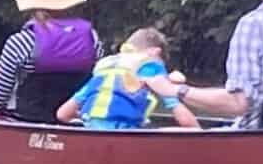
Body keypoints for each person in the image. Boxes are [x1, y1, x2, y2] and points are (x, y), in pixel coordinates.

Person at [57, 28, 200, 129]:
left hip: (91, 128)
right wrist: (197, 130)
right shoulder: (150, 66)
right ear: (156, 53)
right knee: (183, 130)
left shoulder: (105, 67)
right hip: (124, 131)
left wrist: (89, 119)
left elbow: (62, 114)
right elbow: (187, 122)